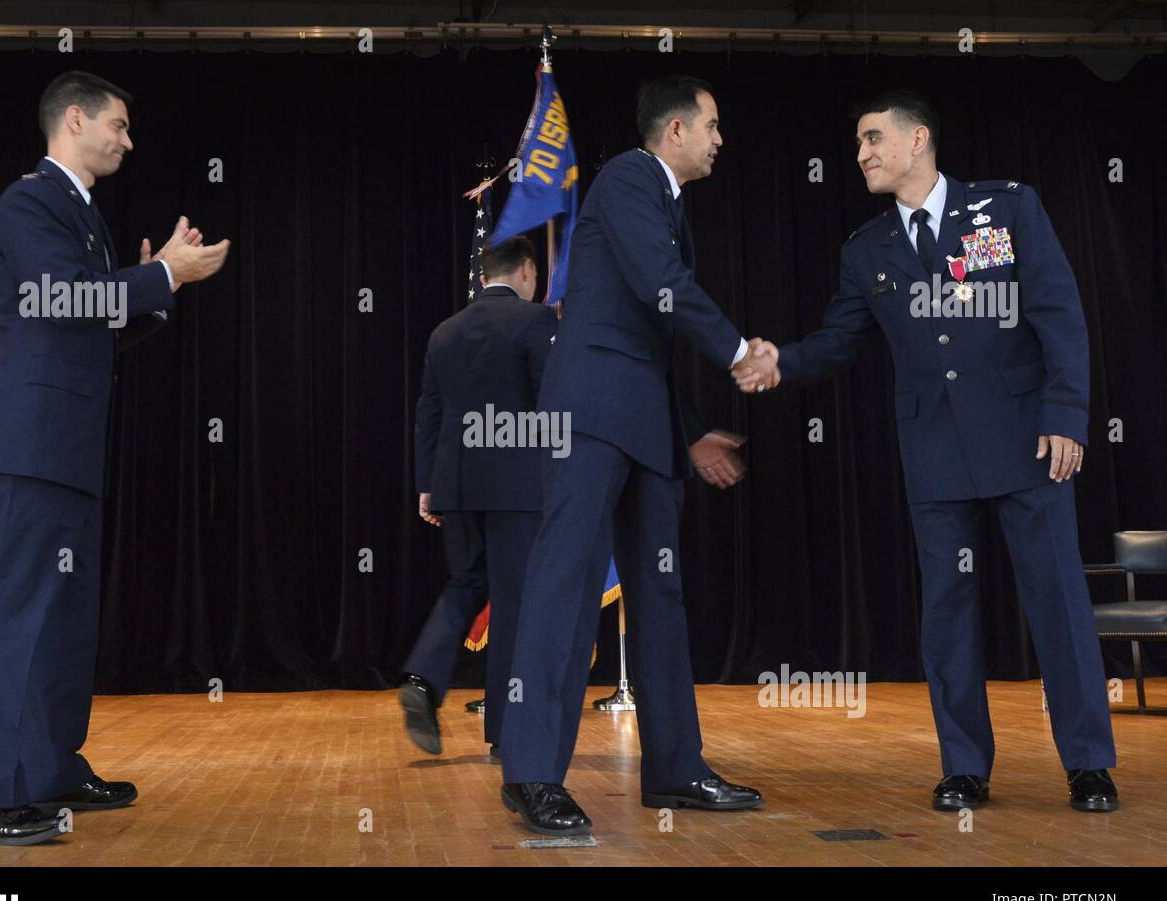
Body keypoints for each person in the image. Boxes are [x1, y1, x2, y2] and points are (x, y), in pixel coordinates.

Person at [736, 90, 1118, 813]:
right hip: (935, 451)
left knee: (1058, 603)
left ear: (919, 142)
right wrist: (781, 360)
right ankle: (964, 766)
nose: (862, 154)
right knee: (947, 610)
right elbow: (841, 339)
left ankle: (1090, 764)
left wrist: (1066, 413)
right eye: (857, 143)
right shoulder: (866, 248)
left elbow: (1058, 311)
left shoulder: (1007, 209)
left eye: (873, 138)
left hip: (1026, 441)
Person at [0, 70, 231, 845]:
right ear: (74, 120)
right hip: (30, 442)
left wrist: (152, 287)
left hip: (68, 449)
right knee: (14, 614)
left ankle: (46, 767)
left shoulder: (84, 218)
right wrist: (161, 273)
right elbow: (61, 296)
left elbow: (94, 326)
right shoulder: (30, 201)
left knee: (66, 619)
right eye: (118, 124)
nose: (127, 139)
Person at [498, 76, 767, 837]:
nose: (720, 138)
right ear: (674, 130)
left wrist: (686, 433)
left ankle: (676, 768)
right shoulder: (626, 177)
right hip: (589, 418)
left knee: (663, 599)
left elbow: (646, 339)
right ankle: (531, 774)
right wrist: (741, 350)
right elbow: (662, 289)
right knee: (567, 587)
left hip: (647, 429)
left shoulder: (668, 204)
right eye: (712, 124)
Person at [400, 236, 557, 756]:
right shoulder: (537, 323)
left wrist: (428, 485)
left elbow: (429, 414)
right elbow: (552, 403)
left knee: (465, 583)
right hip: (518, 488)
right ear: (528, 272)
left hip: (458, 485)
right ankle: (507, 734)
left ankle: (423, 678)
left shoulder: (444, 332)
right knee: (513, 603)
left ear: (485, 274)